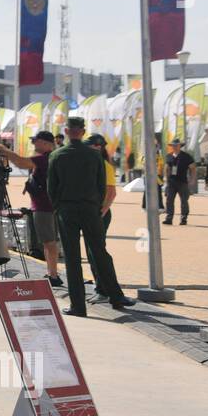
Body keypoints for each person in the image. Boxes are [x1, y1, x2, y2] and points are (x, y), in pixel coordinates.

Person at [47, 116, 134, 316]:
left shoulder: (57, 155)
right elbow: (101, 184)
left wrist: (58, 207)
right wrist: (95, 206)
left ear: (67, 131)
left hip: (67, 209)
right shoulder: (94, 156)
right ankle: (115, 296)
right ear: (83, 131)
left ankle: (78, 305)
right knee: (99, 252)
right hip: (90, 209)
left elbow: (52, 188)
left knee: (72, 258)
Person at [0, 131, 62, 288]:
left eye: (36, 141)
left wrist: (4, 150)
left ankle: (53, 274)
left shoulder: (44, 158)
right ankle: (51, 272)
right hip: (45, 205)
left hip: (44, 207)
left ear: (46, 143)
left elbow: (21, 162)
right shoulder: (49, 157)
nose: (34, 144)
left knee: (49, 242)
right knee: (48, 242)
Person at [84, 133, 118, 304]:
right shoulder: (86, 164)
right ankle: (101, 287)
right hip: (90, 213)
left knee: (97, 252)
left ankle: (103, 289)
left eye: (99, 146)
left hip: (99, 214)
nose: (97, 149)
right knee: (91, 252)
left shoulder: (105, 166)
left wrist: (101, 212)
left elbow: (111, 192)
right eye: (93, 146)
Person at [163, 138, 194, 225]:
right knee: (169, 200)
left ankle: (183, 218)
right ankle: (169, 218)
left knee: (184, 200)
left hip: (182, 181)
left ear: (180, 146)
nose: (175, 147)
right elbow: (167, 168)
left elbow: (193, 168)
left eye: (176, 145)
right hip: (171, 182)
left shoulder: (186, 156)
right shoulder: (169, 156)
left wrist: (192, 179)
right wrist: (165, 178)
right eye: (173, 145)